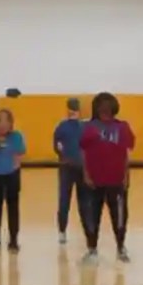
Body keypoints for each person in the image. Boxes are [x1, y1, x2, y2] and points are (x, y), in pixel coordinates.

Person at [80, 92, 135, 263]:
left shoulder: (122, 127)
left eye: (107, 105)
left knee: (119, 215)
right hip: (94, 180)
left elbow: (127, 152)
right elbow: (83, 152)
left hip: (116, 179)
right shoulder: (89, 128)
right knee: (91, 215)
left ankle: (121, 247)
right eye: (101, 106)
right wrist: (86, 174)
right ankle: (92, 249)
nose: (104, 109)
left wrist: (127, 175)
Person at [0, 108, 26, 252]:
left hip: (11, 176)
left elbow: (19, 155)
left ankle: (13, 239)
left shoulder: (16, 137)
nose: (1, 124)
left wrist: (13, 168)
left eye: (5, 121)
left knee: (13, 207)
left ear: (10, 123)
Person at [53, 97, 87, 245]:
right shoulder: (85, 126)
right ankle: (88, 232)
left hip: (66, 167)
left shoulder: (61, 127)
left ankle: (62, 232)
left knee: (64, 199)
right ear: (79, 109)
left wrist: (62, 152)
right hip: (82, 167)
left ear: (68, 109)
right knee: (84, 201)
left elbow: (56, 147)